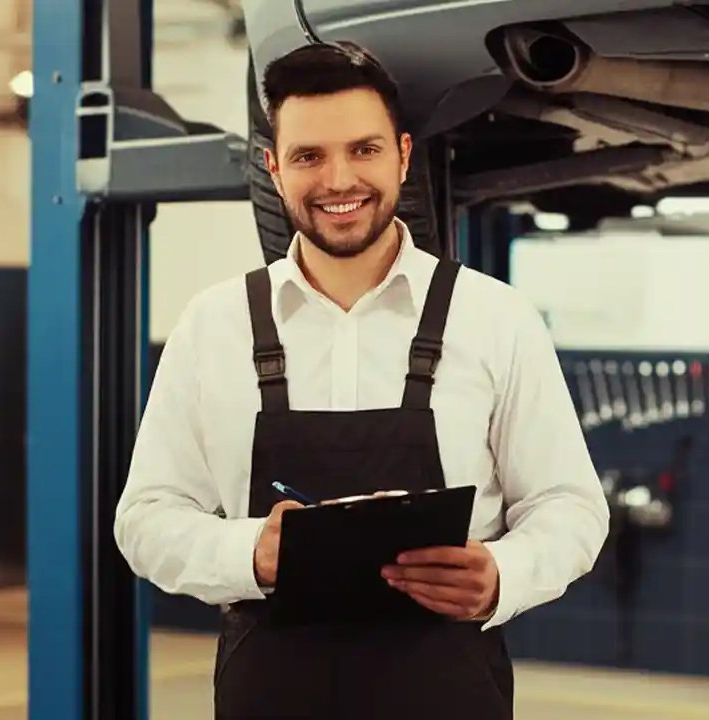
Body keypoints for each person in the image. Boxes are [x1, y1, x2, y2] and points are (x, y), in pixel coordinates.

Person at [115, 41, 610, 720]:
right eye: (308, 156)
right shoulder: (214, 325)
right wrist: (250, 552)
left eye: (364, 150)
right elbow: (144, 519)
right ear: (274, 169)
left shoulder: (494, 318)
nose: (339, 180)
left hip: (446, 694)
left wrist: (502, 575)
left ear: (403, 155)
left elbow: (570, 506)